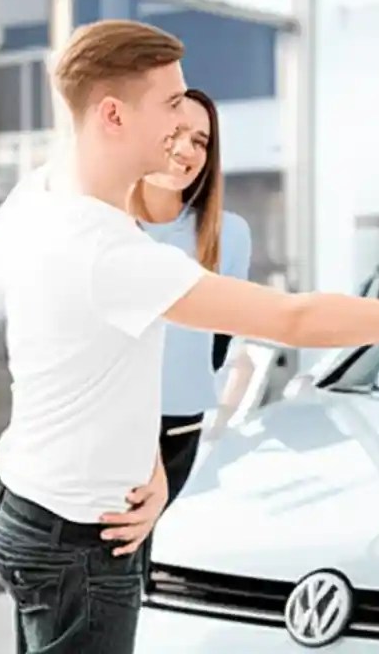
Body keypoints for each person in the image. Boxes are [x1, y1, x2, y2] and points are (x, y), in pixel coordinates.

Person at [0, 19, 379, 654]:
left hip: (30, 503)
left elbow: (86, 363)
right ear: (112, 115)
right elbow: (295, 319)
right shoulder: (109, 251)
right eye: (171, 103)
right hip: (79, 538)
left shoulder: (45, 190)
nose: (185, 119)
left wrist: (147, 463)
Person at [129, 88, 251, 506]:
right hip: (106, 424)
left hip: (178, 425)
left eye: (200, 140)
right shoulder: (104, 225)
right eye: (175, 132)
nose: (187, 149)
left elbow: (223, 336)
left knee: (149, 558)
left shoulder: (228, 233)